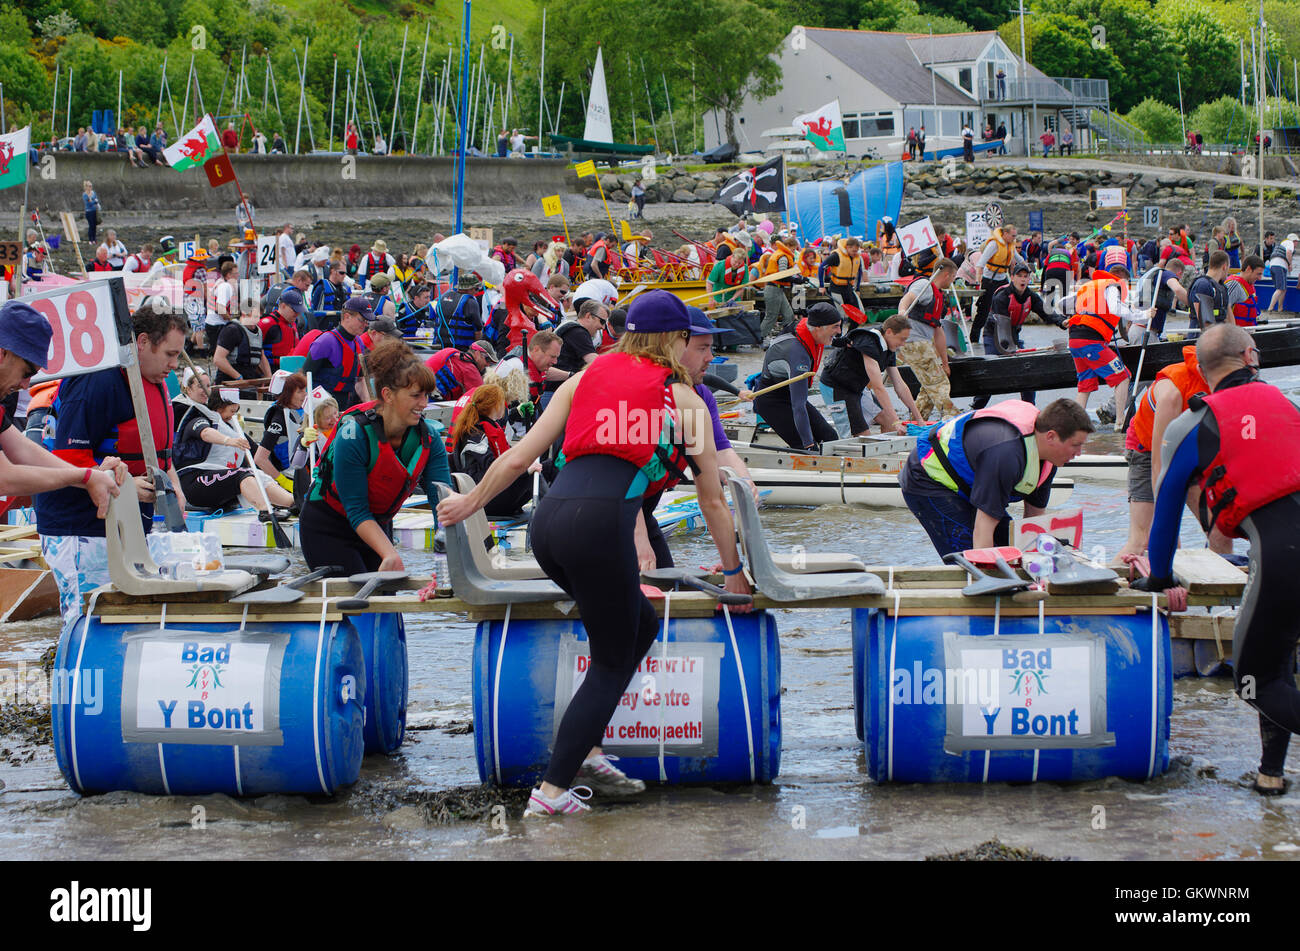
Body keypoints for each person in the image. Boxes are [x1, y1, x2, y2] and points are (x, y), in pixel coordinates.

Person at [436, 290, 751, 818]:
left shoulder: (584, 380)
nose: (702, 355)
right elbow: (712, 498)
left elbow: (517, 457)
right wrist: (735, 572)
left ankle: (589, 750)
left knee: (641, 625)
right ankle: (553, 793)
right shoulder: (687, 402)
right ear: (673, 341)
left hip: (550, 529)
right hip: (600, 532)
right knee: (609, 661)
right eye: (692, 343)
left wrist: (472, 501)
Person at [1131, 324, 1300, 795]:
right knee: (1279, 661)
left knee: (1253, 682)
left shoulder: (1194, 422)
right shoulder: (1287, 404)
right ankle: (1271, 776)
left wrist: (1160, 578)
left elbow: (1165, 508)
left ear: (1201, 371)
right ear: (1250, 356)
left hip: (1284, 554)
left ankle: (1272, 776)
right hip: (1283, 552)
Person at [35, 302, 185, 623]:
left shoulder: (152, 383)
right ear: (142, 342)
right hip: (78, 528)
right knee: (85, 623)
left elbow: (160, 456)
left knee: (123, 623)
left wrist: (174, 489)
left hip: (124, 527)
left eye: (178, 356)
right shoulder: (96, 383)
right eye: (170, 354)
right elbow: (69, 459)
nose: (174, 365)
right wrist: (128, 486)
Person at [303, 339, 450, 574]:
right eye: (416, 396)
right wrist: (390, 553)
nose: (424, 404)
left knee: (387, 602)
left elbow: (441, 504)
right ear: (388, 395)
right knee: (358, 608)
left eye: (427, 395)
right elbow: (357, 510)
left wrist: (444, 559)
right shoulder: (354, 435)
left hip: (378, 525)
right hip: (329, 525)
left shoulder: (430, 439)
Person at [900, 398, 1093, 557]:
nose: (1079, 453)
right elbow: (983, 529)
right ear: (1051, 436)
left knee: (1011, 551)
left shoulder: (1050, 460)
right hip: (928, 480)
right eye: (1075, 445)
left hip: (971, 482)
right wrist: (988, 578)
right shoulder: (1007, 454)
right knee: (969, 558)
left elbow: (1032, 526)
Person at [1117, 344, 1210, 559]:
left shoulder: (1227, 383)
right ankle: (1099, 587)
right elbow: (1160, 464)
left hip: (1191, 450)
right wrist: (1165, 523)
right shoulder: (1172, 393)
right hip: (1148, 452)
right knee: (1144, 541)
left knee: (1217, 531)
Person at [173, 388, 296, 517]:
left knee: (257, 475)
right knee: (242, 475)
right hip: (194, 481)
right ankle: (266, 510)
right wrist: (228, 440)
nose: (232, 416)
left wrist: (281, 479)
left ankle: (294, 503)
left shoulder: (232, 427)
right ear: (220, 407)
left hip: (222, 480)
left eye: (235, 412)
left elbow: (255, 453)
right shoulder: (201, 419)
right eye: (231, 411)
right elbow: (205, 433)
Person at [971, 264, 1063, 409]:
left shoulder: (1031, 296)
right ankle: (976, 407)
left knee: (1027, 369)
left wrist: (1062, 322)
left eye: (1026, 276)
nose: (1023, 279)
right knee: (991, 372)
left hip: (1013, 335)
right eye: (1019, 276)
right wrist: (1012, 350)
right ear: (1012, 277)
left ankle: (1029, 407)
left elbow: (1047, 312)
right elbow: (1002, 328)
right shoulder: (1002, 296)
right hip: (994, 334)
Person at [1067, 261, 1151, 419]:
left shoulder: (1090, 286)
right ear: (1122, 280)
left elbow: (1061, 303)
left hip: (1074, 339)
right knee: (1124, 377)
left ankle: (1074, 424)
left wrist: (1072, 317)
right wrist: (1144, 315)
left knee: (1085, 386)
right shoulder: (1113, 286)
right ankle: (1119, 422)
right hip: (1090, 341)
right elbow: (1115, 308)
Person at [753, 302, 841, 450]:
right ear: (819, 328)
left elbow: (834, 338)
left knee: (830, 438)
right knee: (806, 447)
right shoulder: (798, 355)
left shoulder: (812, 327)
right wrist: (808, 444)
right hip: (772, 401)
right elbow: (798, 406)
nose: (839, 331)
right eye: (835, 327)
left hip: (789, 394)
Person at [446, 383, 541, 517]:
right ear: (495, 405)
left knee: (545, 467)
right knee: (539, 472)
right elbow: (491, 467)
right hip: (485, 499)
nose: (505, 406)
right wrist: (524, 471)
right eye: (502, 402)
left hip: (495, 492)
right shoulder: (475, 435)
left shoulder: (490, 426)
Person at [820, 314, 922, 436]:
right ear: (889, 332)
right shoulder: (868, 343)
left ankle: (885, 453)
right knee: (863, 436)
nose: (903, 344)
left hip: (857, 386)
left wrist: (919, 419)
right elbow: (878, 388)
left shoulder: (889, 347)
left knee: (889, 423)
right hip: (837, 386)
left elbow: (900, 385)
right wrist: (897, 422)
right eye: (902, 339)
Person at [896, 258, 960, 420]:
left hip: (924, 343)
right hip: (913, 342)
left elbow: (938, 332)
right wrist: (902, 311)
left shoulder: (938, 298)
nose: (953, 282)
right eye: (953, 278)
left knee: (928, 388)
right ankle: (952, 418)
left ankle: (917, 420)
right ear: (946, 275)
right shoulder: (925, 286)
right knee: (939, 384)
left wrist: (945, 363)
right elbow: (907, 299)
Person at [302, 297, 372, 411]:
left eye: (367, 321)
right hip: (321, 408)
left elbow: (360, 380)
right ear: (347, 317)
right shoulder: (325, 341)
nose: (365, 325)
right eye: (362, 320)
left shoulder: (359, 342)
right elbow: (304, 377)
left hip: (343, 406)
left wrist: (369, 406)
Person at [253, 372, 308, 489]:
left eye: (305, 390)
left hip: (305, 468)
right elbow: (259, 458)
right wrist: (282, 481)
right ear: (287, 394)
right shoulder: (279, 419)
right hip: (289, 473)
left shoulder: (301, 409)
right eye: (300, 392)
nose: (305, 395)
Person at [972, 223, 1017, 343]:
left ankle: (1006, 337)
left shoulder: (1010, 245)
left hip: (1003, 279)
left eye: (1015, 236)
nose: (1014, 238)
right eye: (1012, 236)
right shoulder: (994, 244)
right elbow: (980, 263)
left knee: (1007, 307)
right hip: (989, 279)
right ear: (1005, 234)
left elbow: (1017, 259)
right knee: (984, 309)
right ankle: (974, 338)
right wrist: (978, 280)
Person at [213, 306, 270, 396]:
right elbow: (218, 359)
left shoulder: (258, 332)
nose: (256, 321)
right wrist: (238, 377)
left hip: (249, 380)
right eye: (254, 317)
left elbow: (261, 356)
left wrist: (269, 378)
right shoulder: (232, 330)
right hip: (230, 381)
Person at [428, 339, 496, 402]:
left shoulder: (452, 353)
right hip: (429, 399)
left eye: (491, 362)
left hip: (422, 386)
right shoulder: (470, 370)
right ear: (477, 354)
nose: (488, 364)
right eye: (487, 359)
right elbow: (481, 400)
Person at [757, 234, 797, 341]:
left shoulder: (782, 254)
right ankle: (759, 338)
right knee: (771, 316)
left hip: (779, 289)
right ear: (788, 246)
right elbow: (782, 275)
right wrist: (796, 279)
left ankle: (786, 337)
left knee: (789, 315)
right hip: (773, 288)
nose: (793, 251)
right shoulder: (783, 257)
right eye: (793, 249)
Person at [259, 287, 303, 370]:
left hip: (291, 370)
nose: (297, 314)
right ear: (283, 306)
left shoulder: (293, 324)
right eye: (294, 310)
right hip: (272, 371)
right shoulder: (267, 324)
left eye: (299, 310)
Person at [1187, 250, 1230, 329]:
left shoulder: (1222, 287)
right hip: (1203, 337)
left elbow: (1228, 316)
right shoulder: (1203, 285)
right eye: (1228, 268)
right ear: (1224, 266)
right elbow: (1203, 320)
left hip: (1218, 332)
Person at [819, 237, 864, 312]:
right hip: (836, 289)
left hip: (849, 288)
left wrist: (858, 289)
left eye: (856, 251)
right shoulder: (836, 256)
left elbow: (859, 273)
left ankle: (853, 323)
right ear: (847, 247)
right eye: (853, 251)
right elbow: (821, 268)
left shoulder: (857, 257)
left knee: (859, 312)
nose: (855, 253)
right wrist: (821, 286)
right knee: (841, 315)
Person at [1225, 255, 1264, 327]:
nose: (1260, 278)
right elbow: (1224, 308)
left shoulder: (1249, 284)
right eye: (1258, 274)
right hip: (1236, 333)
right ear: (1248, 269)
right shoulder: (1234, 285)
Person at [1265, 232, 1294, 313]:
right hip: (1280, 265)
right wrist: (1290, 264)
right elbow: (1288, 252)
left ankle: (1280, 308)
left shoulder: (1281, 244)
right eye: (1296, 242)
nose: (1296, 244)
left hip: (1273, 265)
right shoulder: (1290, 243)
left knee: (1283, 289)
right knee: (1280, 288)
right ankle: (1270, 308)